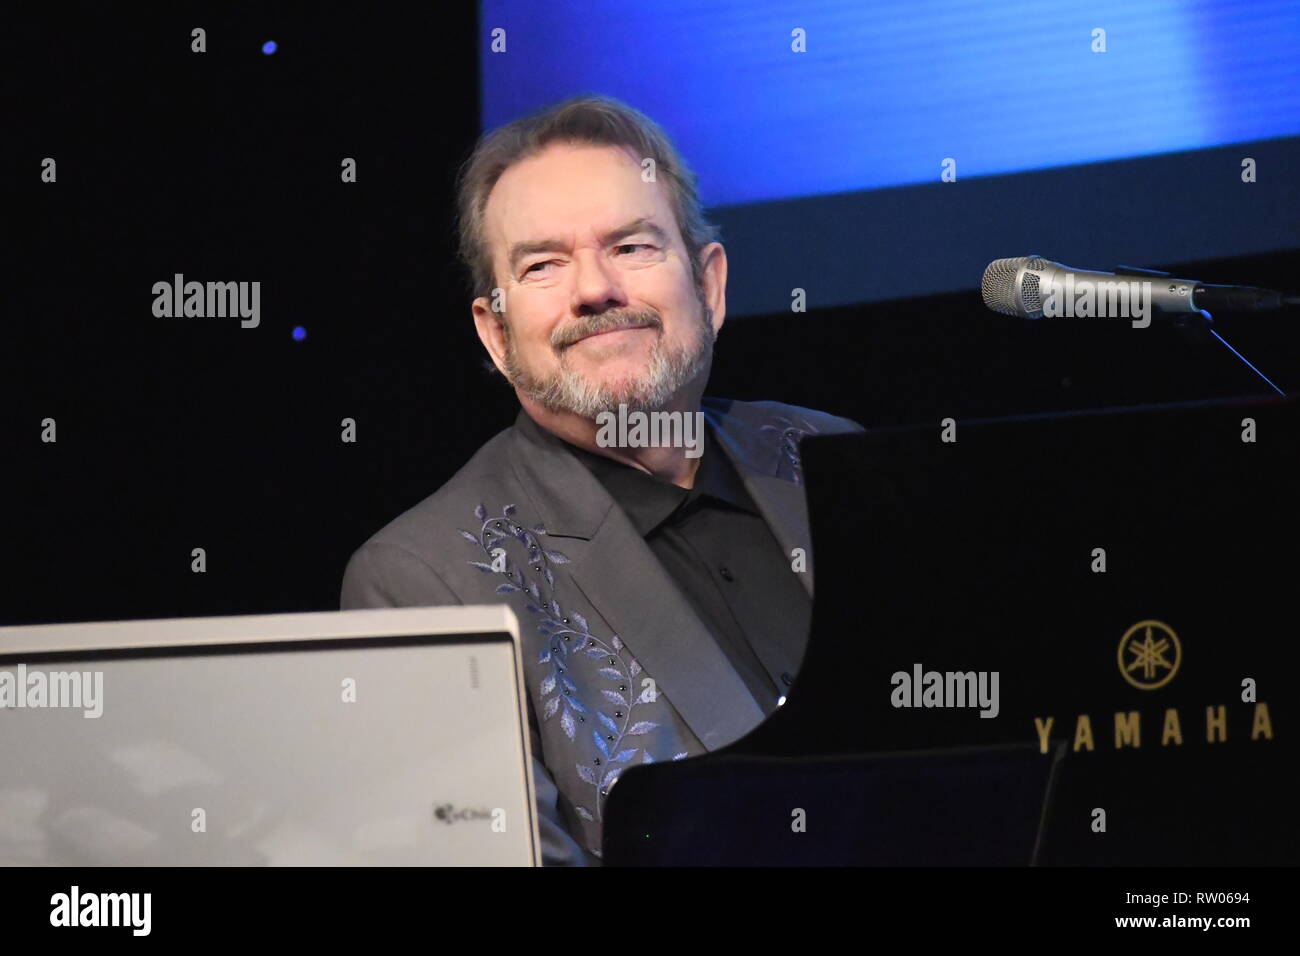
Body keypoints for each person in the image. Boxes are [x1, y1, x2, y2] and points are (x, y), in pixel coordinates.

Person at [341, 94, 863, 865]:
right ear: (494, 332)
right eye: (543, 264)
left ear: (709, 286)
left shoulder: (833, 454)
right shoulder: (422, 582)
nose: (594, 289)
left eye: (631, 246)